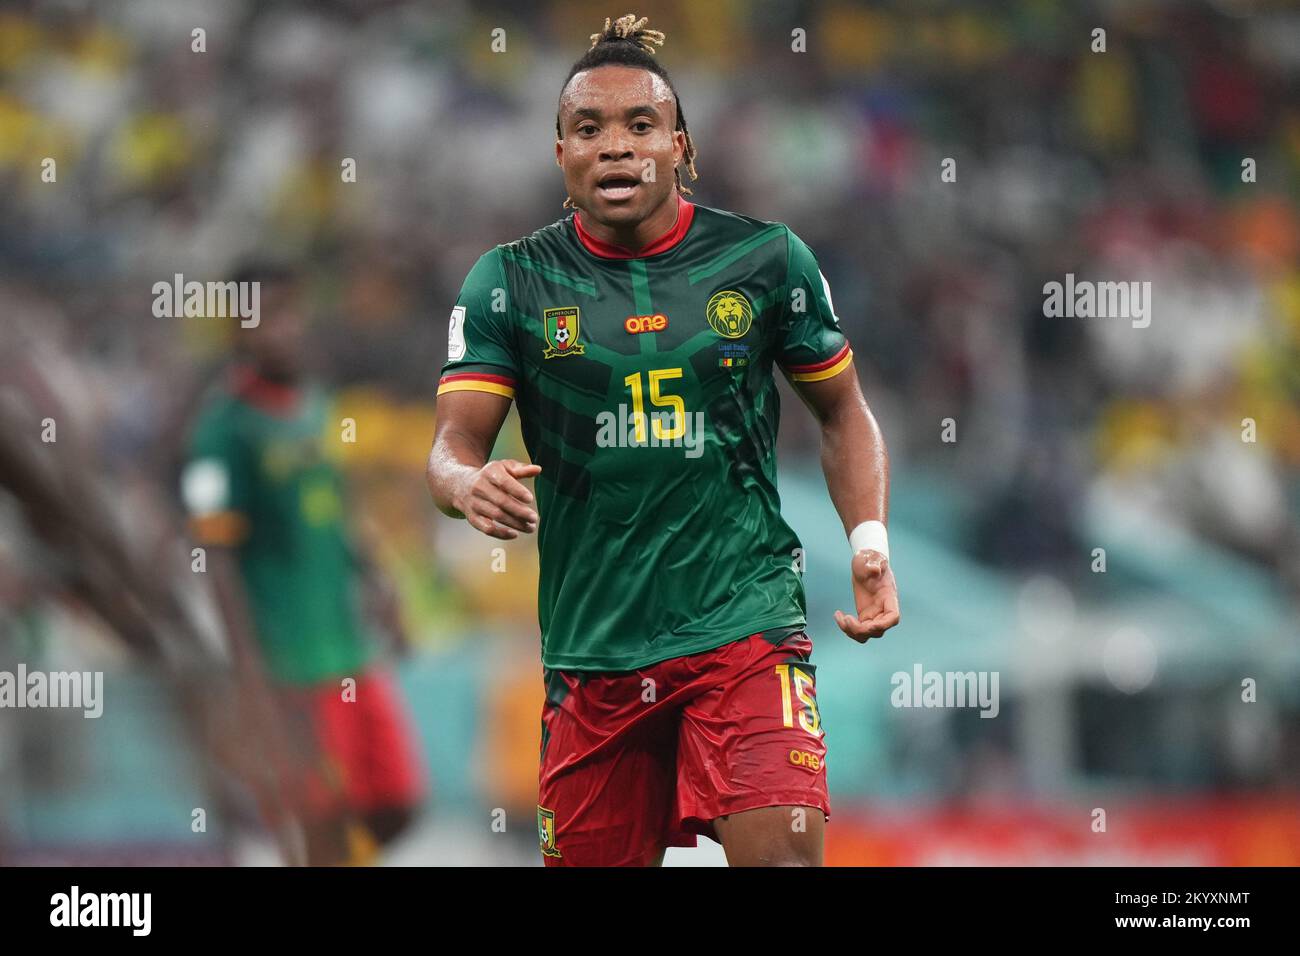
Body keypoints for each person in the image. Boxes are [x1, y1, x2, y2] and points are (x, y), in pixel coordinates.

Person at [426, 14, 898, 867]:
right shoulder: (510, 283)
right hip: (595, 653)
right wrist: (464, 484)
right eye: (588, 129)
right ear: (559, 153)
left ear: (681, 145)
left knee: (786, 857)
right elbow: (450, 446)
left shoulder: (765, 261)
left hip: (744, 624)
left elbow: (843, 413)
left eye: (640, 126)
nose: (615, 147)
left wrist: (867, 540)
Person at [183, 263, 426, 865]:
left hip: (348, 652)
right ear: (237, 332)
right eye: (262, 319)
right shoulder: (221, 429)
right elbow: (213, 559)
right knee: (319, 823)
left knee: (398, 804)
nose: (281, 330)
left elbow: (335, 514)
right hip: (287, 669)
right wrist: (249, 679)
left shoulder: (315, 405)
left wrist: (380, 584)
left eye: (288, 313)